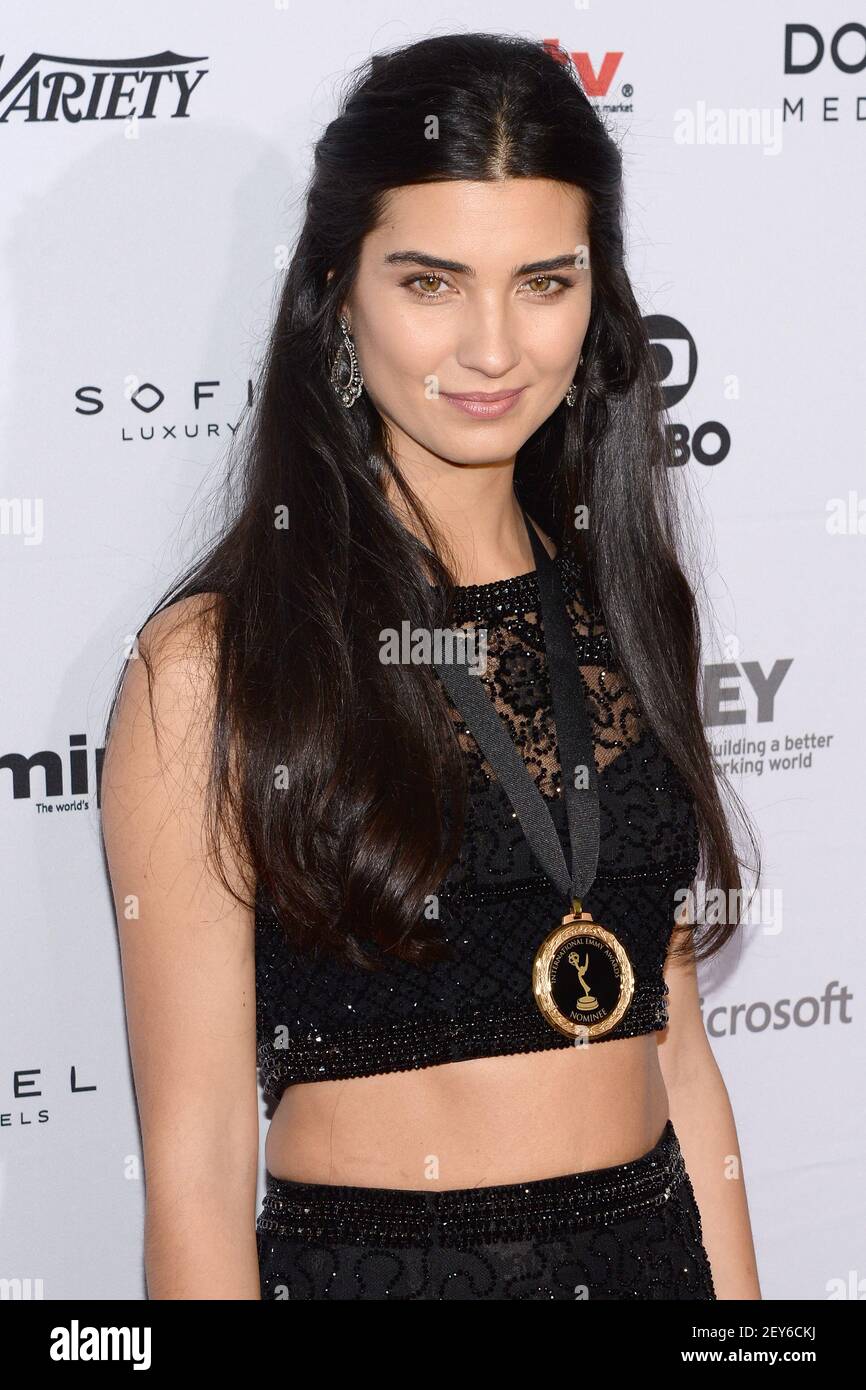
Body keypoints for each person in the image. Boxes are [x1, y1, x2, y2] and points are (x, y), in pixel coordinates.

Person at [100, 31, 762, 1300]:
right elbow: (191, 1173)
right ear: (338, 293)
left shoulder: (624, 604)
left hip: (648, 1259)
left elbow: (675, 1055)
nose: (495, 348)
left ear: (597, 294)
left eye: (544, 281)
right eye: (431, 282)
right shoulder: (215, 665)